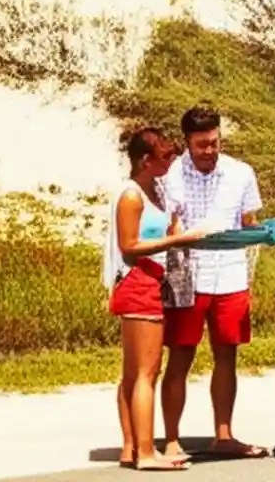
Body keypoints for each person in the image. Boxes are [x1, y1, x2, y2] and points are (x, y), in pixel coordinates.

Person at [159, 104, 270, 461]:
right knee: (181, 355)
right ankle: (172, 439)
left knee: (227, 354)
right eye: (201, 144)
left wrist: (263, 234)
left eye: (214, 142)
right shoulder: (172, 173)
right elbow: (168, 224)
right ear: (187, 142)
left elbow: (248, 220)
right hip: (187, 274)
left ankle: (224, 435)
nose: (209, 151)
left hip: (232, 273)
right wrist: (186, 235)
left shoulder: (240, 172)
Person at [104, 127, 212, 472]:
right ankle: (147, 453)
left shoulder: (156, 190)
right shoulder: (132, 195)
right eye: (165, 156)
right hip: (138, 282)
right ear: (144, 160)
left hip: (151, 280)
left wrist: (181, 236)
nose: (171, 161)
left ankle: (131, 447)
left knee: (134, 372)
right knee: (146, 373)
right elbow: (129, 245)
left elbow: (160, 232)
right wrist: (176, 242)